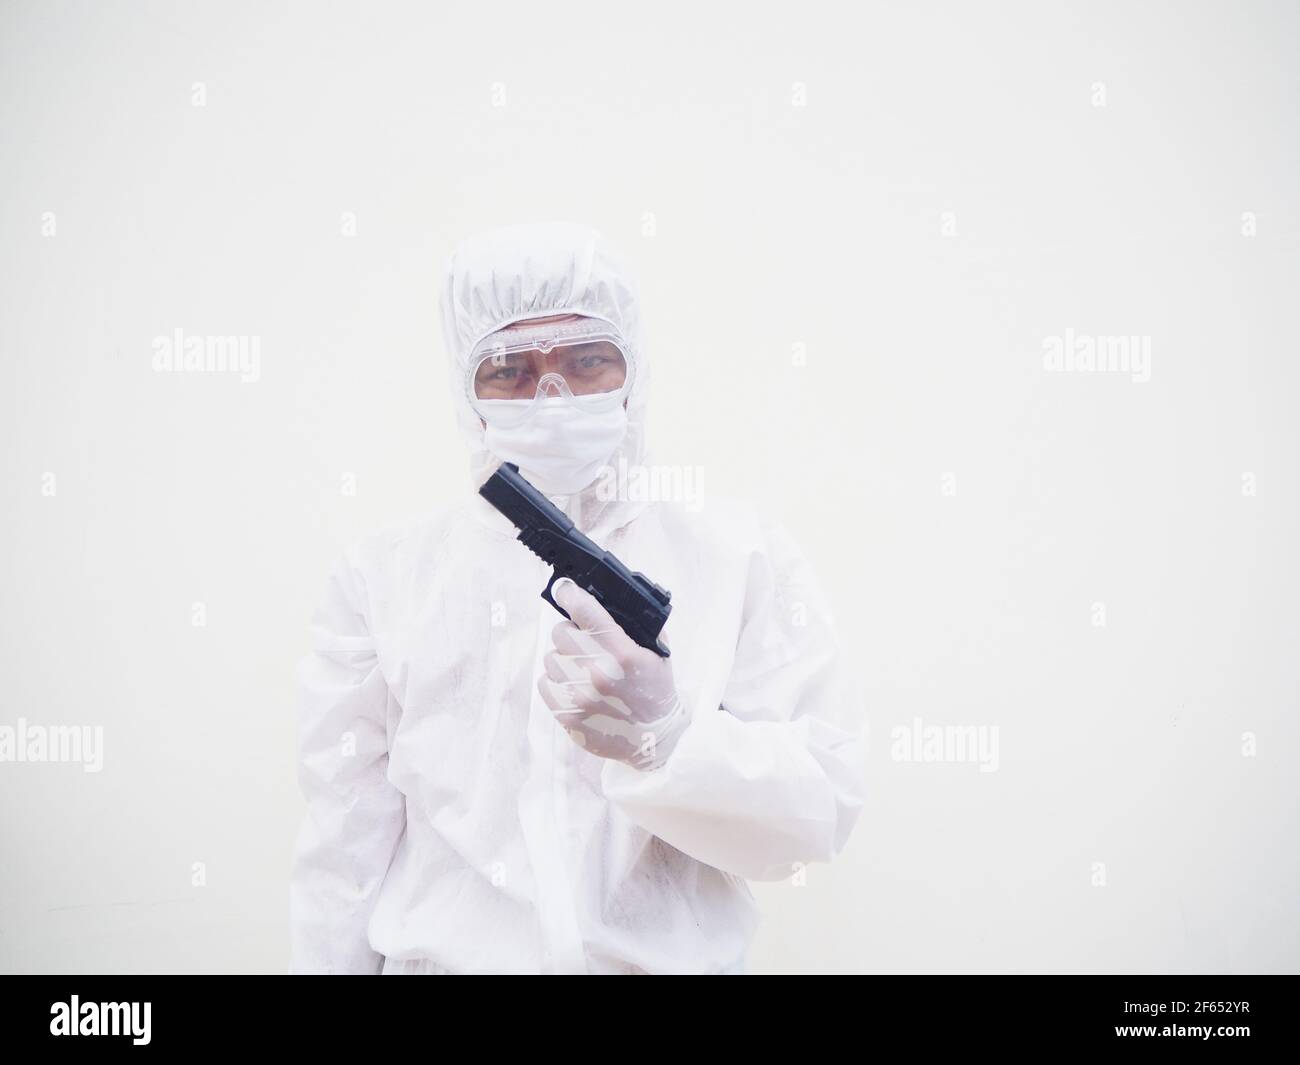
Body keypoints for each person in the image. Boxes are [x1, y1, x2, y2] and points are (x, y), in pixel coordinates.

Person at [289, 221, 866, 975]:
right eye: (510, 369)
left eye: (587, 360)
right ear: (470, 392)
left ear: (635, 372)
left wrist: (666, 736)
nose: (550, 395)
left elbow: (816, 814)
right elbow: (343, 847)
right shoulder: (385, 578)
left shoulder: (737, 558)